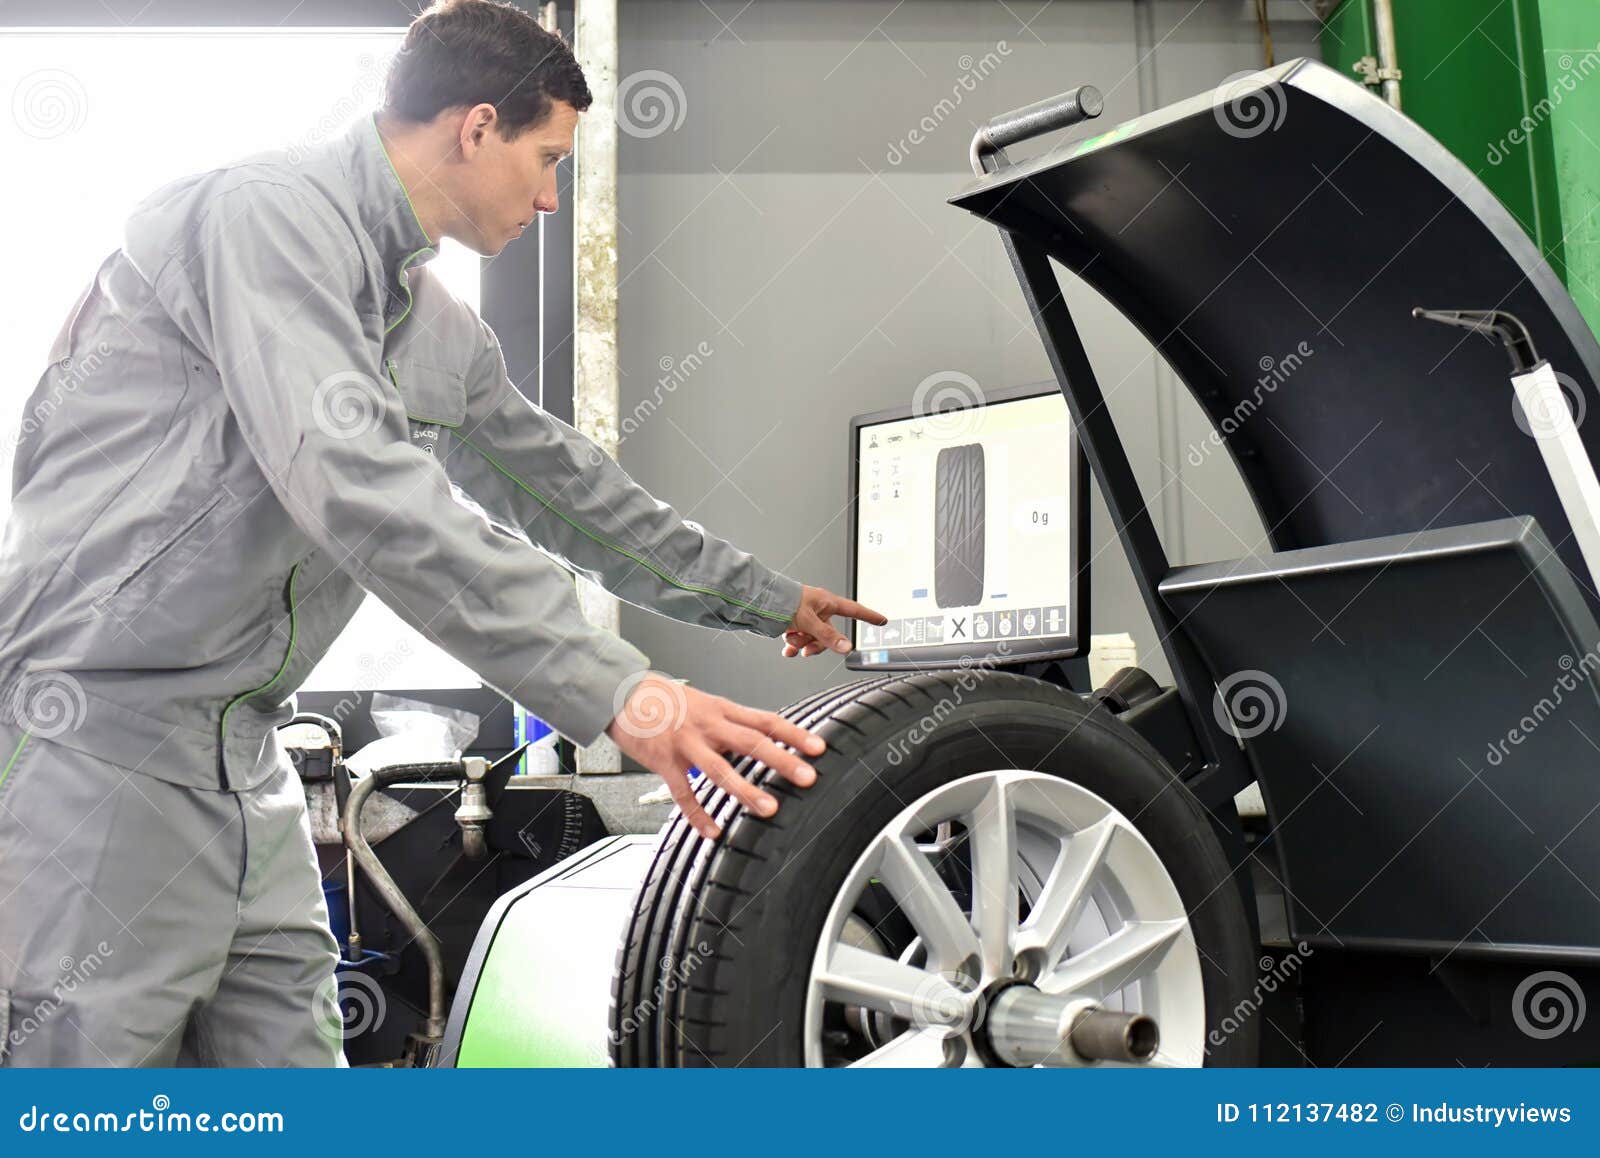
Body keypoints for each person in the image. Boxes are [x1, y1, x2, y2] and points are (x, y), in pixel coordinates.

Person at [0, 0, 882, 1067]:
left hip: (247, 762)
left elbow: (568, 490)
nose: (551, 198)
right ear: (475, 128)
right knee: (83, 1095)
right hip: (99, 749)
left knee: (293, 1085)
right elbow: (357, 484)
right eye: (546, 160)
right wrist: (615, 690)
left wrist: (764, 597)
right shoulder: (262, 218)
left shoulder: (432, 324)